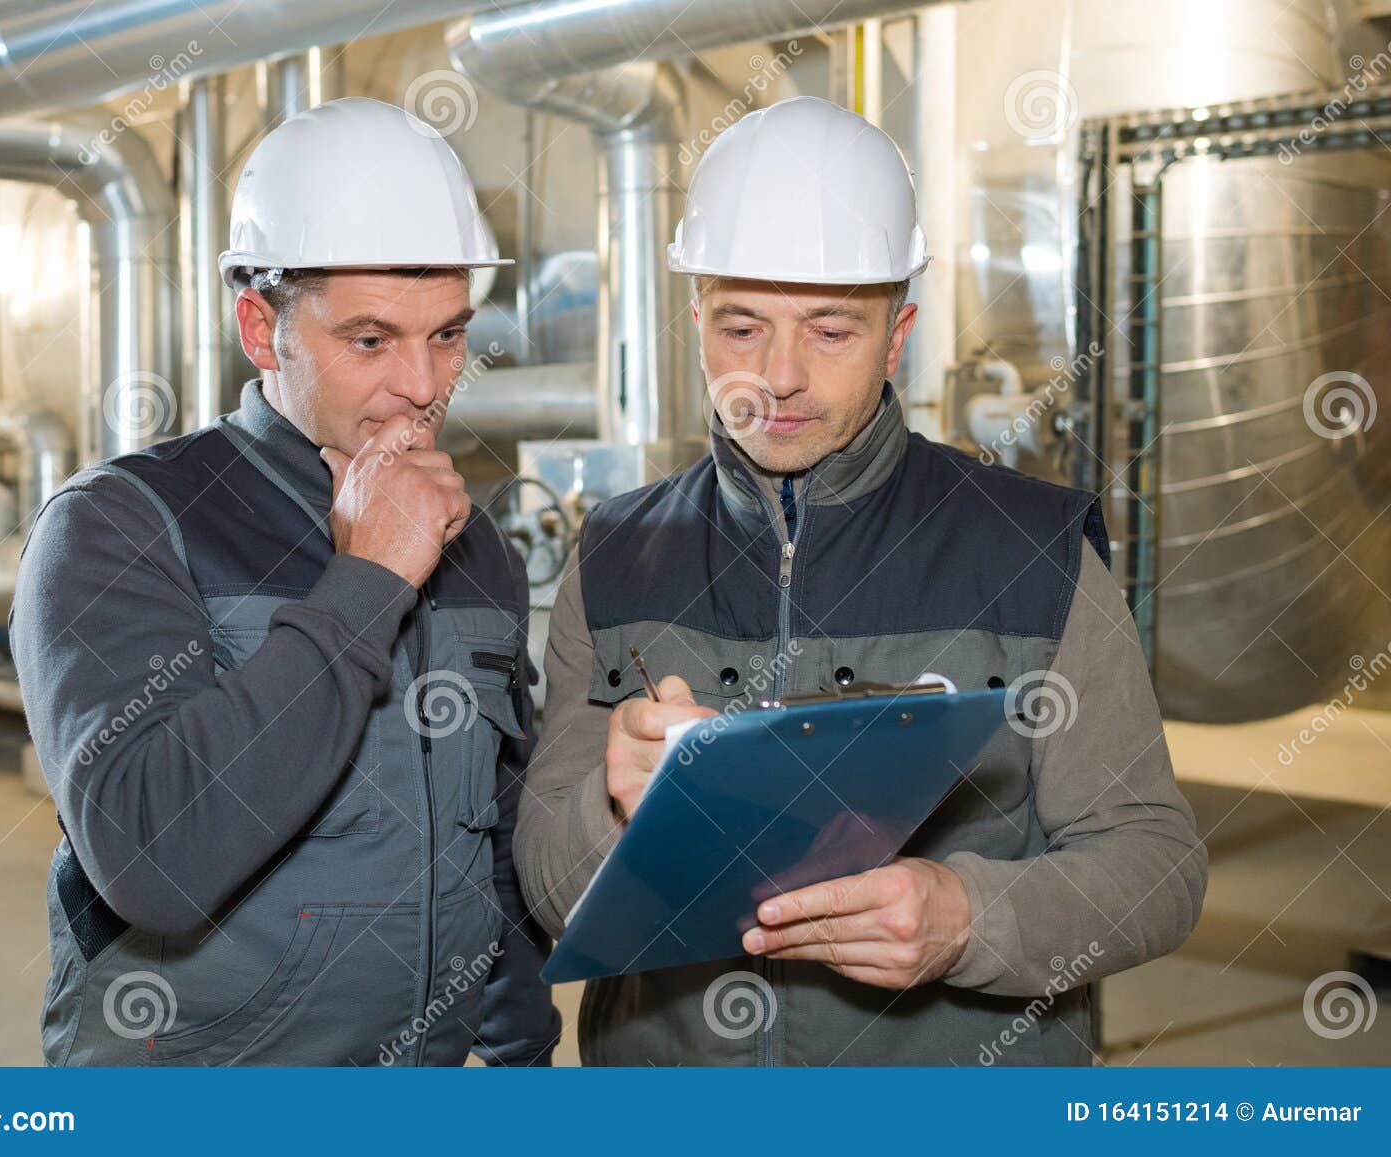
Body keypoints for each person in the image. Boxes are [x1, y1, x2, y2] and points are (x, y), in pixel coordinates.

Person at [516, 96, 1206, 1065]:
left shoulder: (1031, 553)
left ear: (896, 334)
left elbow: (1156, 867)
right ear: (696, 320)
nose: (779, 375)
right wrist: (611, 806)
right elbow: (550, 889)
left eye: (831, 331)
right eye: (741, 328)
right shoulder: (615, 554)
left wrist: (968, 917)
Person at [12, 97, 559, 1066]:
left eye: (446, 335)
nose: (423, 384)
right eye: (371, 340)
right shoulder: (124, 524)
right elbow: (153, 858)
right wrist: (367, 577)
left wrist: (521, 1053)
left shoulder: (478, 550)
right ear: (262, 329)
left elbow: (494, 843)